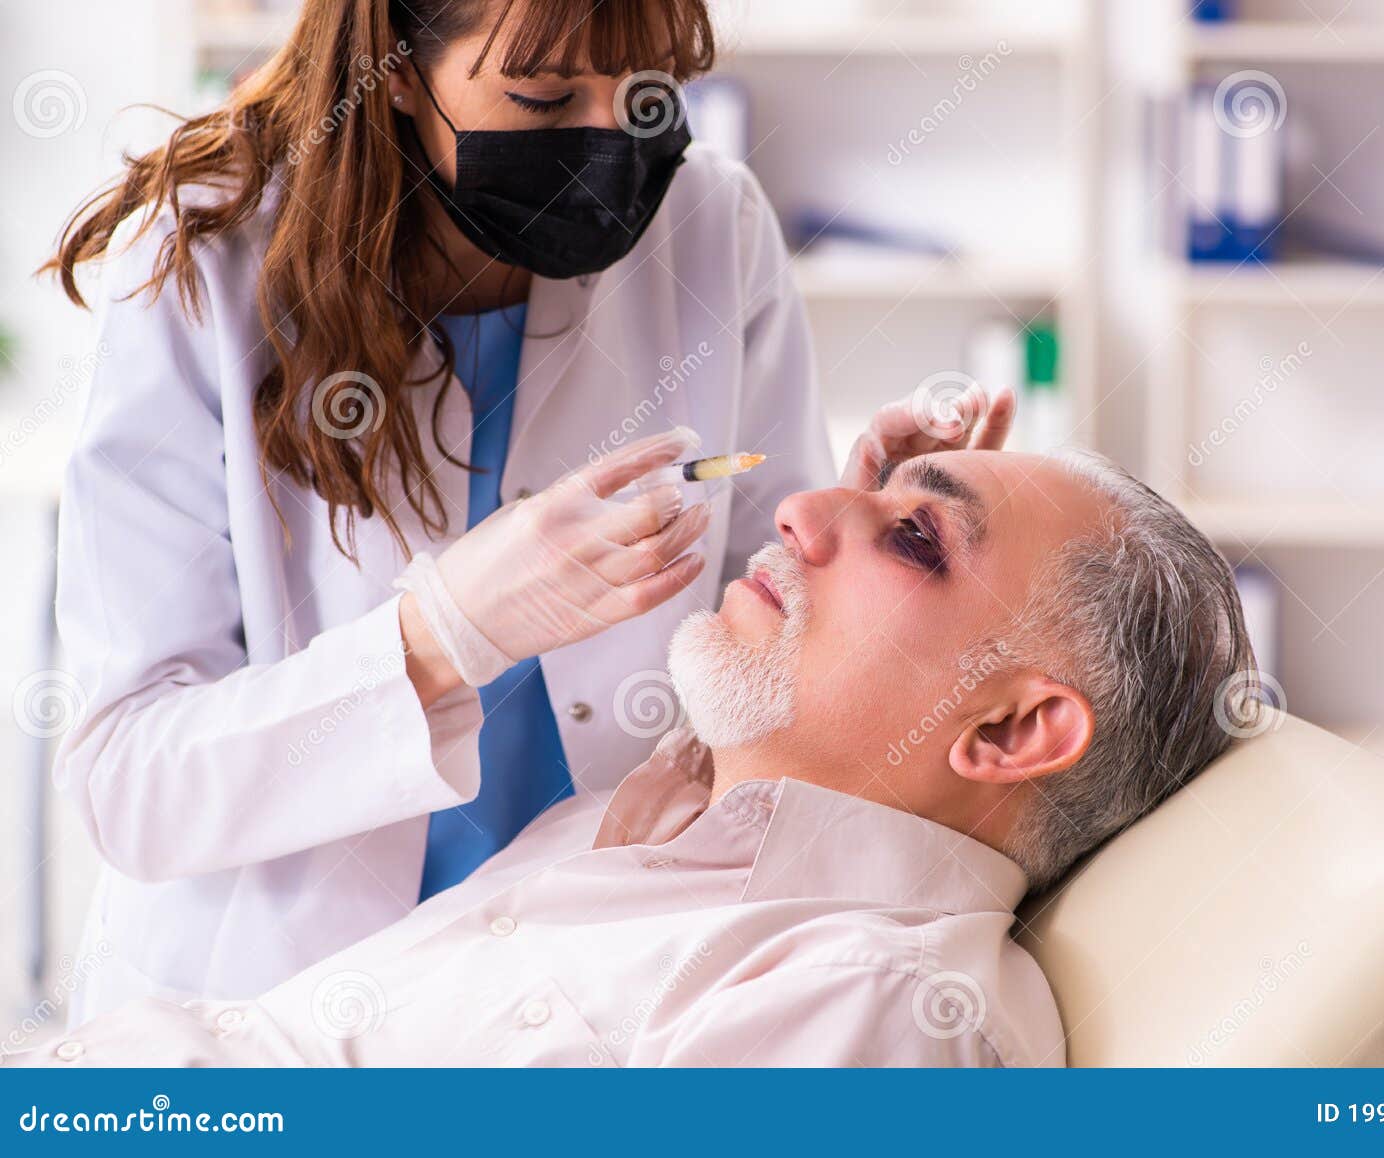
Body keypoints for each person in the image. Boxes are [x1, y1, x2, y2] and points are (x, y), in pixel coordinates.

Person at [42, 0, 1015, 1021]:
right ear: (398, 67)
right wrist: (441, 634)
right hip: (269, 1000)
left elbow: (761, 692)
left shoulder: (712, 227)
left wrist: (848, 541)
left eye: (645, 88)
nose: (608, 139)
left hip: (583, 982)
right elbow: (129, 781)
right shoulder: (206, 259)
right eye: (545, 97)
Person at [10, 448, 1255, 1067]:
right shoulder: (652, 827)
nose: (798, 509)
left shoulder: (875, 1004)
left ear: (1011, 732)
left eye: (914, 537)